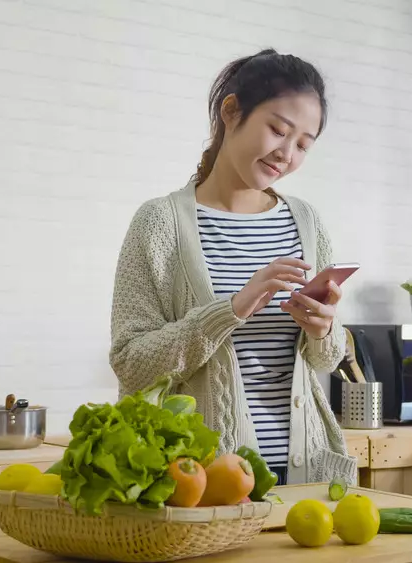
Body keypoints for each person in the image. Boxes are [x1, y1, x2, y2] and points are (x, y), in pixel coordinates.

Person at [108, 49, 357, 486]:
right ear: (231, 110)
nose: (287, 154)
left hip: (305, 470)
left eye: (303, 145)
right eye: (278, 130)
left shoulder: (306, 222)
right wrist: (231, 310)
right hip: (201, 478)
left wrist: (323, 329)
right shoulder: (159, 223)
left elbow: (327, 358)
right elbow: (131, 362)